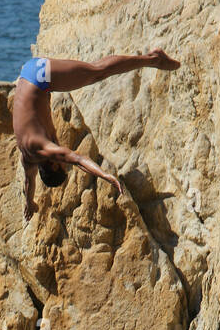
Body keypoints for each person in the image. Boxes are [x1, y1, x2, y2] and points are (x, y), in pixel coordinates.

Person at [13, 48, 180, 219]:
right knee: (94, 71)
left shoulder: (45, 148)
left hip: (40, 77)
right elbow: (29, 182)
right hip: (28, 74)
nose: (64, 162)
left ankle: (153, 59)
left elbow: (78, 159)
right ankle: (151, 59)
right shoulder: (27, 158)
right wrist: (29, 202)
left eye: (63, 165)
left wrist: (106, 175)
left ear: (54, 165)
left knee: (98, 72)